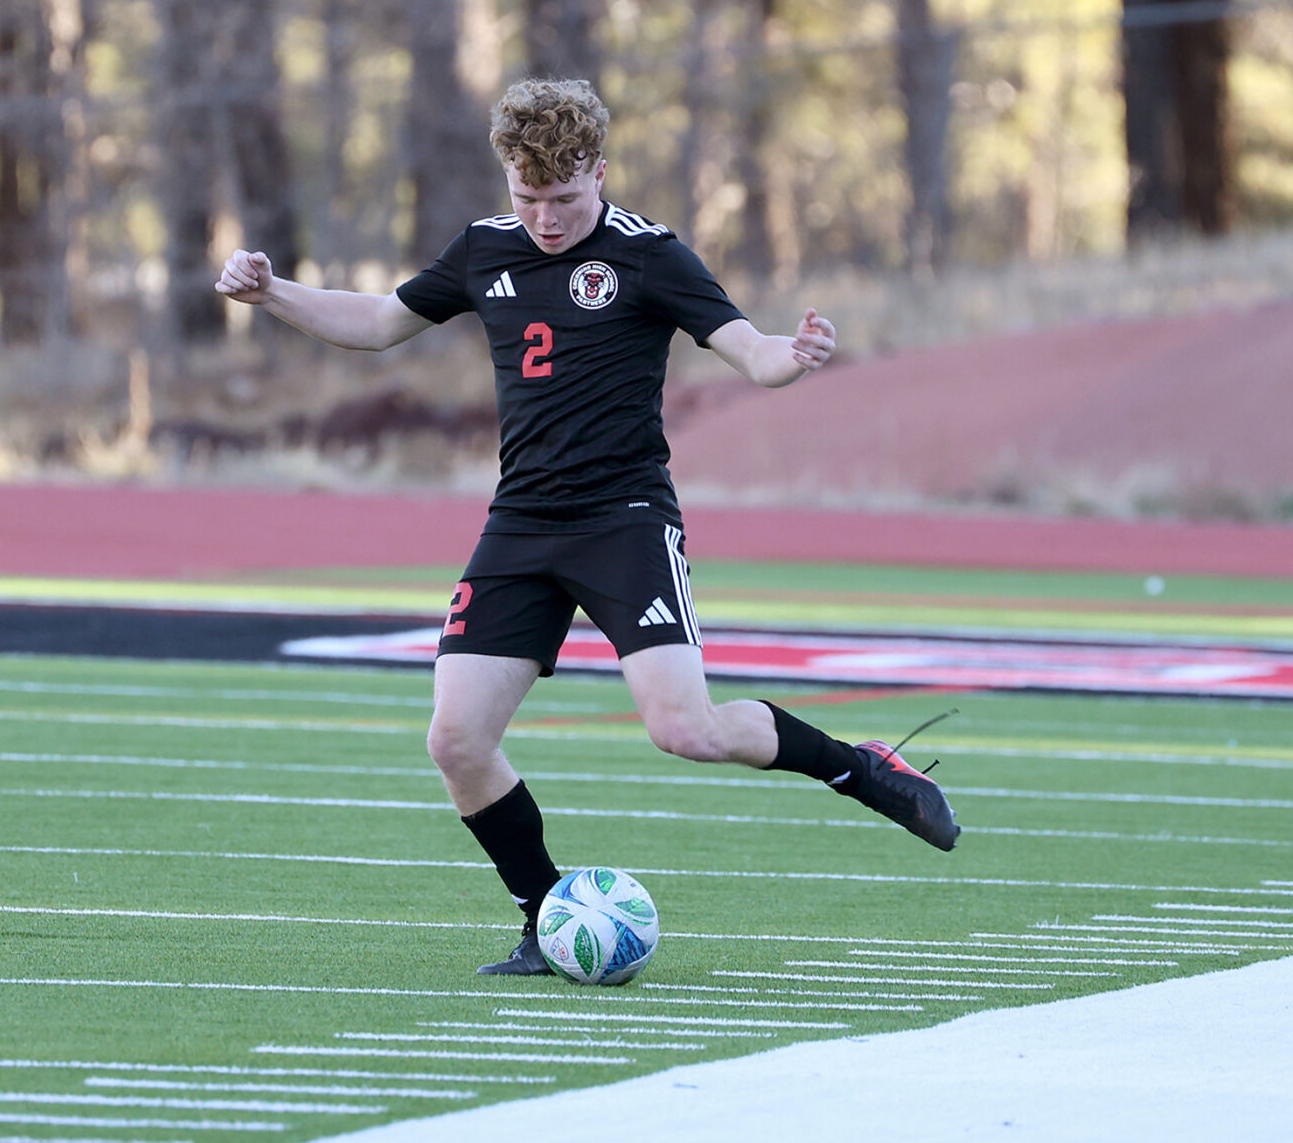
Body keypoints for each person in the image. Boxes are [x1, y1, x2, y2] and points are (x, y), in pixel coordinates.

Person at [216, 77, 958, 977]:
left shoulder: (650, 256)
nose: (545, 220)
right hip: (520, 525)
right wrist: (271, 294)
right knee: (454, 739)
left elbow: (748, 350)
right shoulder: (484, 248)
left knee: (685, 729)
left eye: (564, 199)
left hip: (625, 522)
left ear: (600, 171)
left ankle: (860, 767)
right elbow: (377, 324)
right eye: (527, 199)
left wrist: (790, 357)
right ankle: (544, 918)